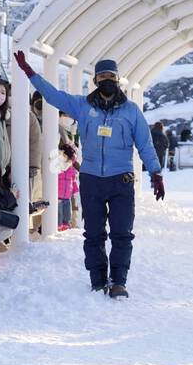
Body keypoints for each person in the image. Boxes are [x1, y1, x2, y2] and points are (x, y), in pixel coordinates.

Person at [14, 51, 163, 298]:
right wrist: (31, 74)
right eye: (102, 75)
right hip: (92, 180)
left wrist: (156, 173)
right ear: (94, 80)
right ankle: (97, 279)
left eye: (111, 76)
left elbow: (145, 144)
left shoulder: (131, 110)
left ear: (118, 80)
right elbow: (53, 96)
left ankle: (118, 281)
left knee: (121, 233)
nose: (107, 80)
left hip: (121, 181)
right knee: (93, 233)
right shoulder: (81, 106)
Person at [57, 136, 77, 230]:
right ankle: (59, 226)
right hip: (59, 196)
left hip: (67, 196)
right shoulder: (58, 168)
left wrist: (75, 190)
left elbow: (73, 180)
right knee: (59, 214)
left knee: (67, 214)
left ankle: (66, 226)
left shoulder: (71, 169)